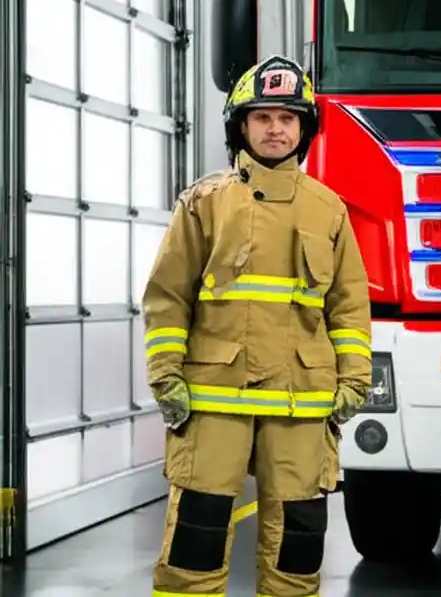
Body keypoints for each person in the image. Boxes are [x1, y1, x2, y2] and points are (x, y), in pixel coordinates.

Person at [143, 55, 373, 597]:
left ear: (304, 129)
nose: (275, 129)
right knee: (193, 543)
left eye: (288, 118)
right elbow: (167, 297)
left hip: (302, 400)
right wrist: (165, 375)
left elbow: (348, 306)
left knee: (297, 545)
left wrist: (354, 379)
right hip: (213, 397)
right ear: (240, 127)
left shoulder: (330, 210)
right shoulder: (204, 204)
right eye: (263, 117)